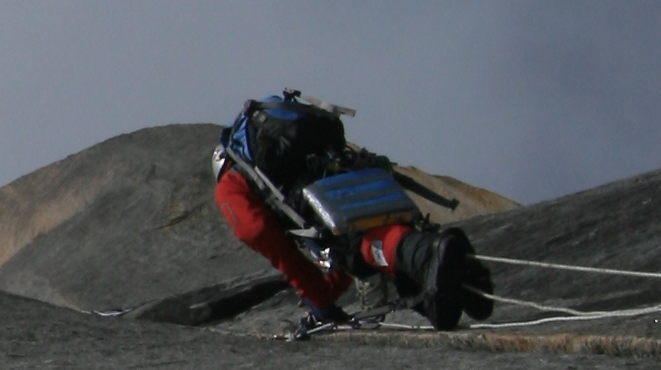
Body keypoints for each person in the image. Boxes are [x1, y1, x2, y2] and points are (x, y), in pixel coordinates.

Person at [212, 92, 496, 331]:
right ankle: (453, 284)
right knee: (366, 241)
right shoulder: (291, 142)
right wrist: (325, 293)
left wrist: (319, 301)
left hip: (314, 197)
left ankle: (431, 254)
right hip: (346, 173)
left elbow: (257, 231)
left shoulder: (229, 183)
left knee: (357, 246)